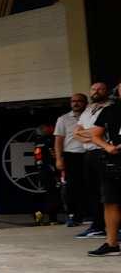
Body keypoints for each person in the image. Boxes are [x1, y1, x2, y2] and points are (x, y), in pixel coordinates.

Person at [82, 100, 121, 256]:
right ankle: (112, 244)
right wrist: (107, 147)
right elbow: (96, 135)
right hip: (115, 161)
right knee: (110, 201)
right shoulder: (110, 110)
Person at [76, 82, 113, 240]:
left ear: (107, 91)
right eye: (93, 89)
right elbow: (76, 134)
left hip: (105, 152)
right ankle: (97, 226)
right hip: (89, 153)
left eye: (100, 89)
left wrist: (89, 134)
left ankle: (113, 227)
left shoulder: (112, 108)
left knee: (109, 193)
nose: (96, 91)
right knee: (93, 192)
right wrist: (93, 135)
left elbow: (104, 131)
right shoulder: (88, 110)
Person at [56, 93, 89, 226]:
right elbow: (58, 140)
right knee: (72, 187)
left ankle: (90, 215)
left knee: (91, 185)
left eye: (79, 101)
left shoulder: (90, 117)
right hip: (72, 155)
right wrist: (59, 158)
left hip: (89, 153)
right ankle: (73, 215)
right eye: (73, 101)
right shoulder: (63, 119)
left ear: (85, 102)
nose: (76, 103)